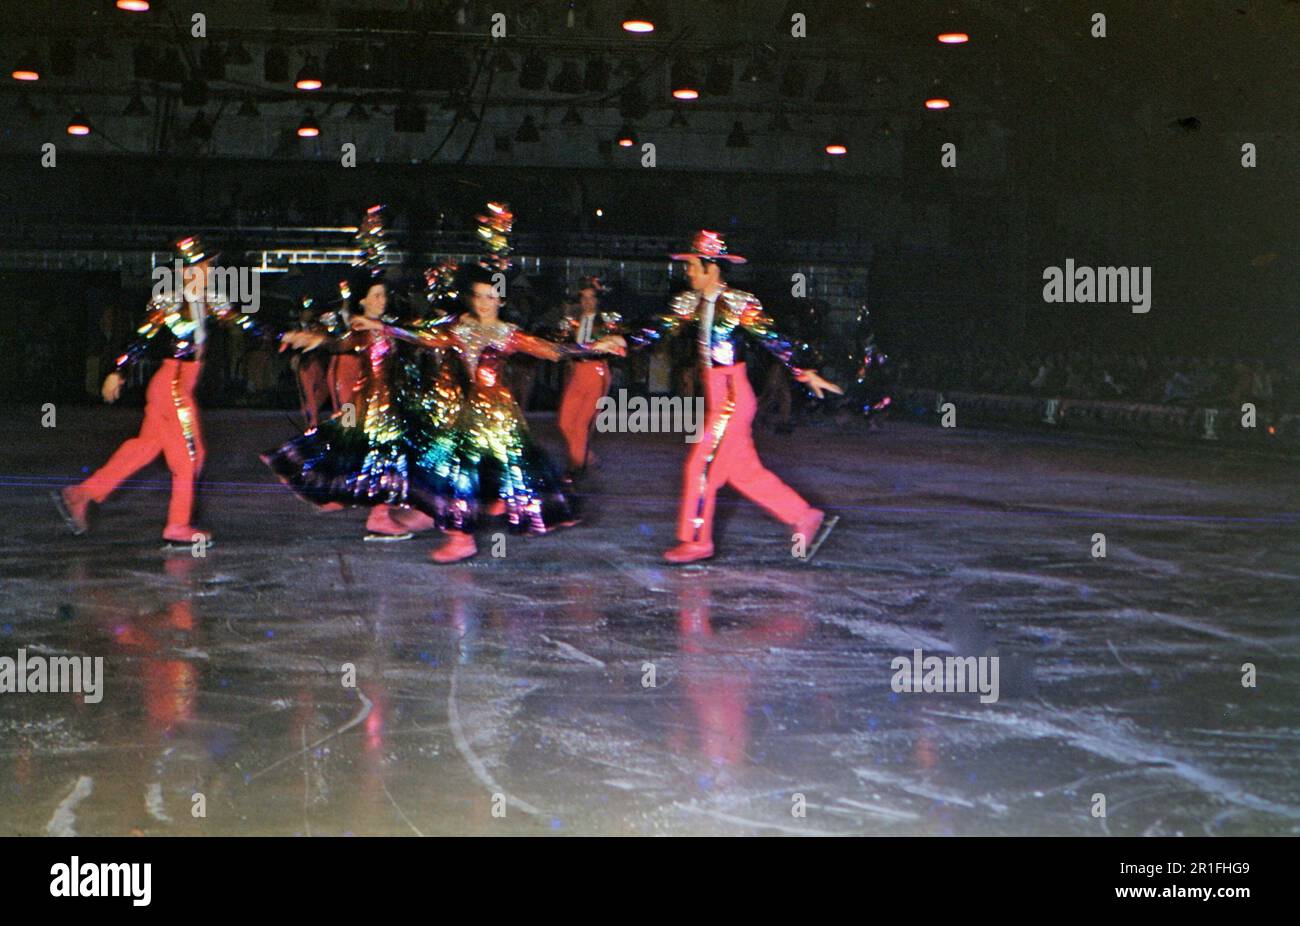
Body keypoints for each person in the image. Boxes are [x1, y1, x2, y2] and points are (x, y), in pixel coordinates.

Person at [362, 263, 622, 563]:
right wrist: (383, 327)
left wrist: (596, 347)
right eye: (480, 297)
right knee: (452, 469)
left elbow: (553, 350)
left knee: (502, 472)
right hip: (469, 414)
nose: (485, 303)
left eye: (491, 297)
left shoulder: (506, 334)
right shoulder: (463, 329)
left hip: (497, 418)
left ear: (500, 300)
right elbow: (426, 338)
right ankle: (454, 527)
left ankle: (466, 532)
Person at [610, 230, 843, 564]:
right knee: (743, 473)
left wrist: (804, 371)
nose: (687, 271)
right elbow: (658, 328)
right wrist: (622, 342)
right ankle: (804, 515)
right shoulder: (690, 302)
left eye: (692, 265)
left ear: (712, 268)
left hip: (733, 395)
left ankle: (697, 541)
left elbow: (772, 338)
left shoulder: (737, 303)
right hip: (716, 394)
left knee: (701, 466)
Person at [53, 235, 258, 545]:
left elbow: (243, 323)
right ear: (186, 271)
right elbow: (142, 337)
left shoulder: (209, 299)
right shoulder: (172, 300)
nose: (210, 270)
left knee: (144, 449)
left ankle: (81, 494)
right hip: (172, 386)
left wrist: (290, 335)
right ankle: (177, 525)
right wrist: (118, 370)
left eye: (209, 265)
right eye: (204, 266)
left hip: (176, 385)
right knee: (190, 456)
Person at [555, 276, 624, 479]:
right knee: (565, 422)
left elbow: (618, 344)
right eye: (583, 298)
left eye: (591, 298)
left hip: (596, 372)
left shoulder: (606, 322)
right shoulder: (573, 322)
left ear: (597, 299)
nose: (587, 302)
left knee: (582, 424)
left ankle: (576, 464)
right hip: (577, 373)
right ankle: (586, 457)